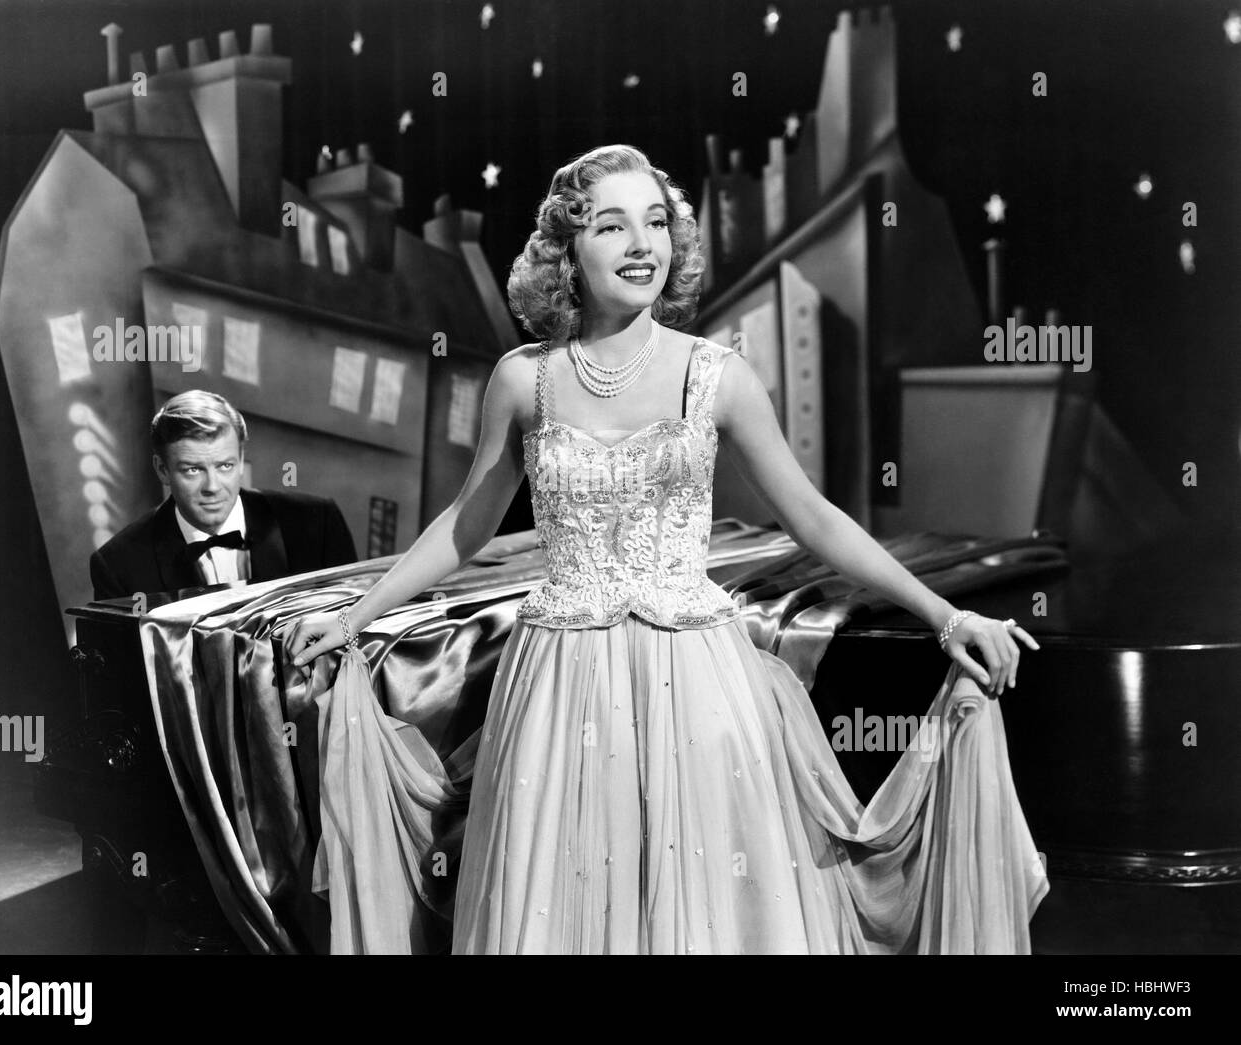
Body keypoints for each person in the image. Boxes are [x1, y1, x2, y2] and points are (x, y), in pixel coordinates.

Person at [287, 144, 1047, 954]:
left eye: (656, 223)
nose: (643, 245)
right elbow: (465, 526)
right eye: (613, 227)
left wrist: (943, 615)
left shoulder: (718, 376)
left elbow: (814, 518)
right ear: (566, 253)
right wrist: (356, 615)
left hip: (698, 686)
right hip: (559, 687)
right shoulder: (523, 379)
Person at [90, 390, 358, 601]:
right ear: (162, 470)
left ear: (241, 461)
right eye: (193, 470)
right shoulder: (119, 565)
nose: (213, 486)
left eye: (225, 466)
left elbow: (355, 634)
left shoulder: (317, 523)